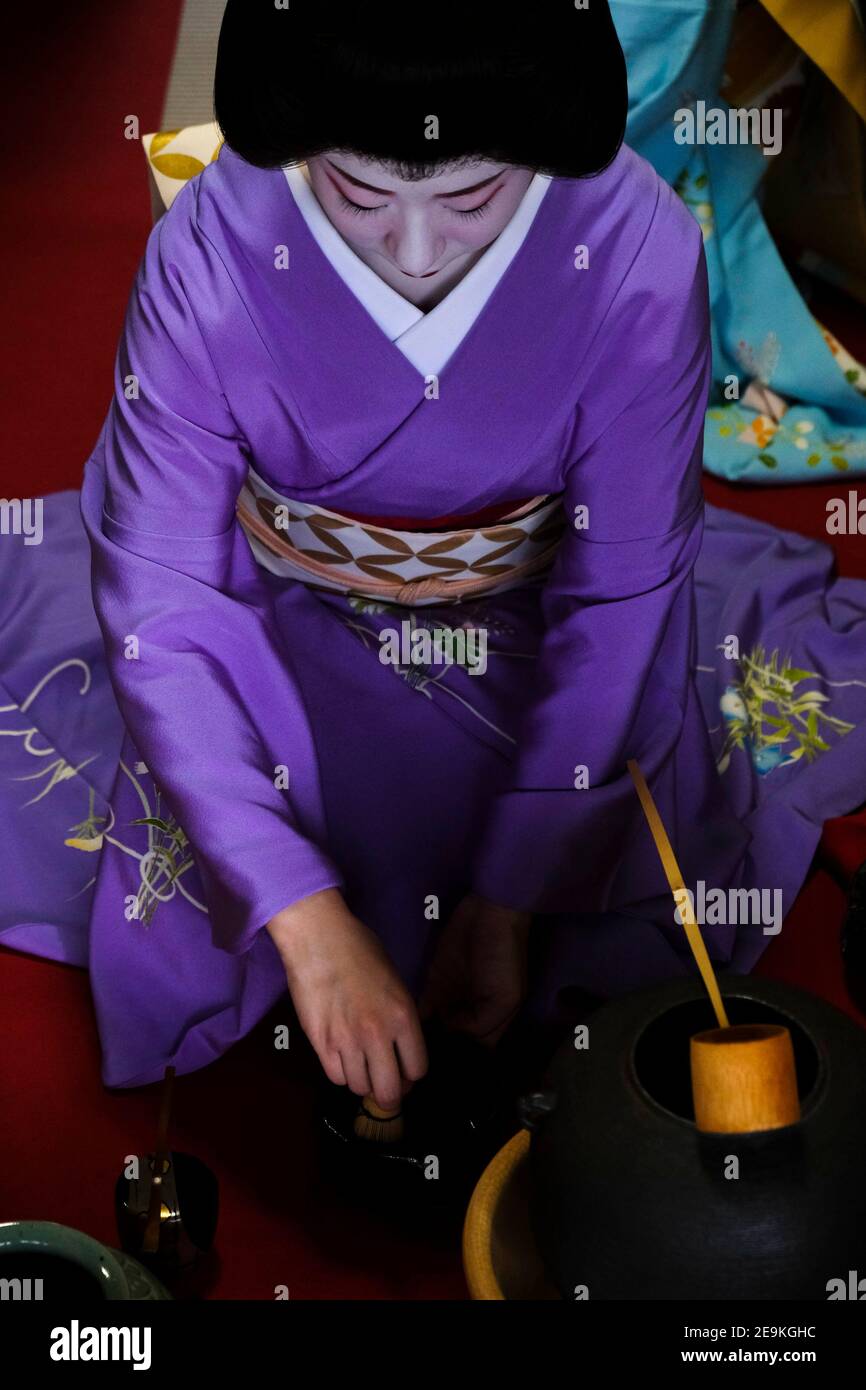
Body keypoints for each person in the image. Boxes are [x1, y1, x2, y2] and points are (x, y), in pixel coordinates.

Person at [2, 1, 866, 1105]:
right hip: (277, 613)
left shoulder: (634, 250)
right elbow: (166, 594)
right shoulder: (212, 252)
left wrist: (512, 890)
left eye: (471, 196)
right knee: (258, 835)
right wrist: (305, 918)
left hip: (533, 611)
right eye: (361, 193)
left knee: (585, 860)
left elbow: (618, 592)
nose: (414, 249)